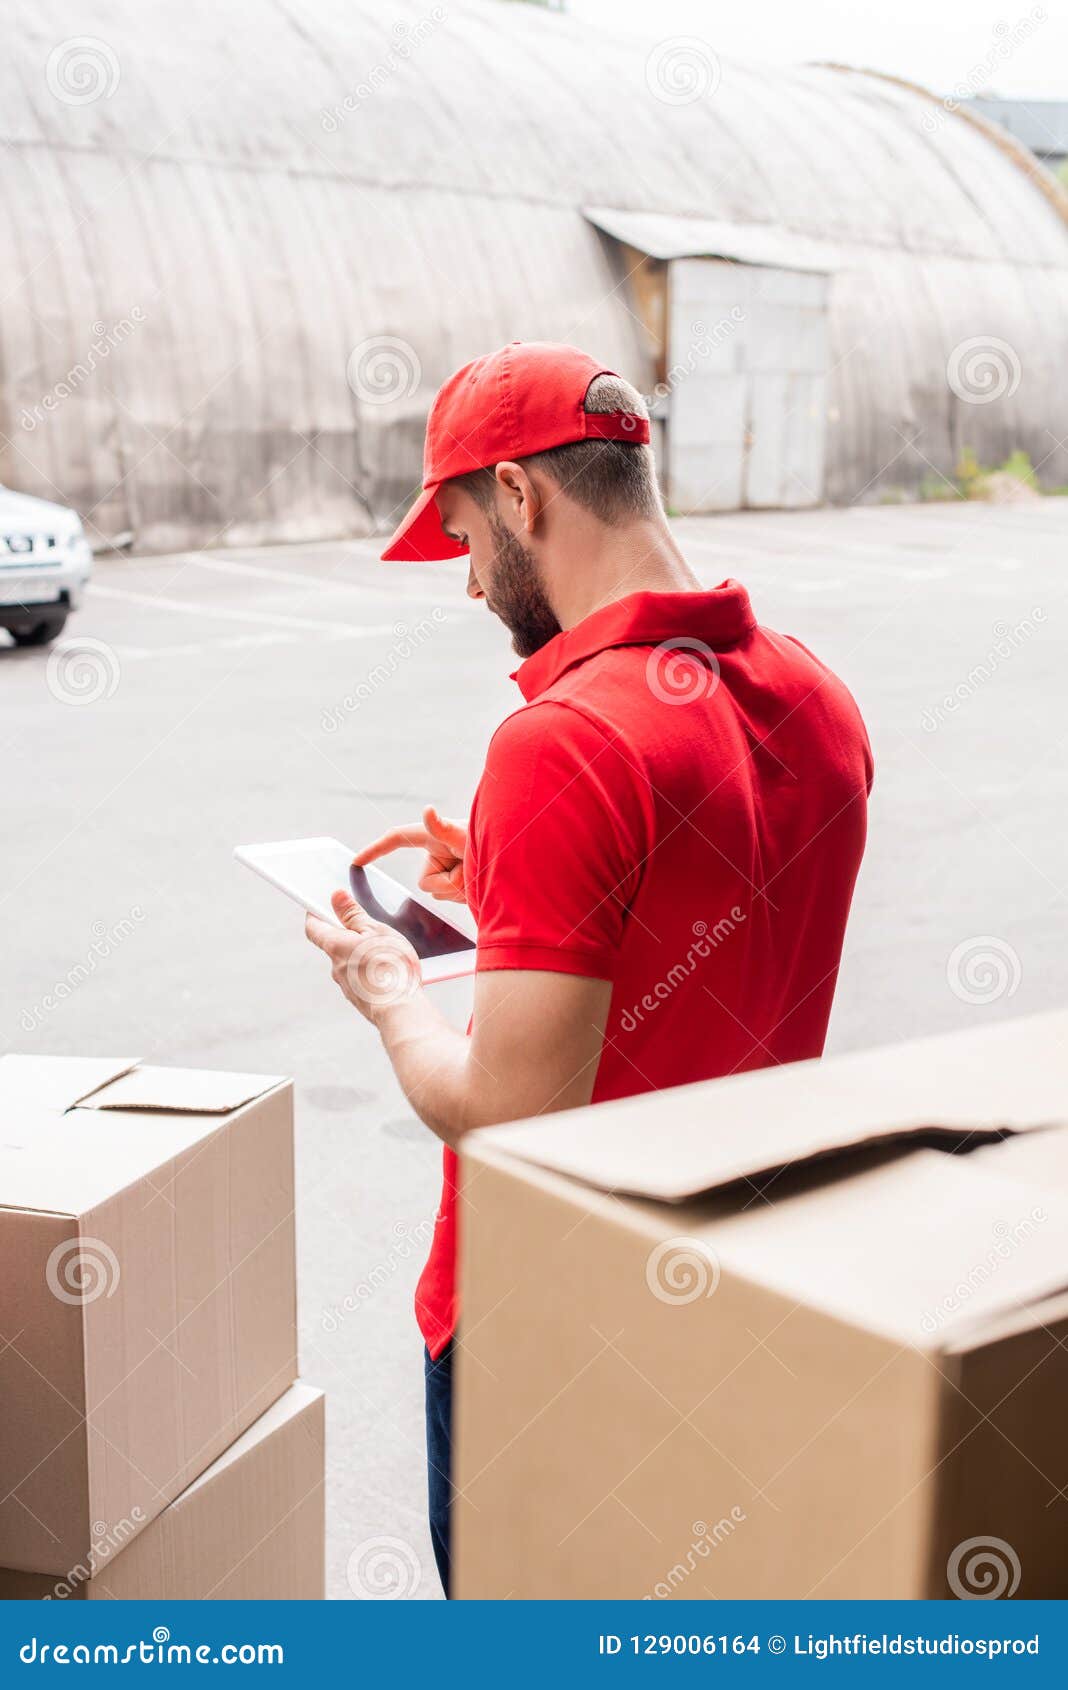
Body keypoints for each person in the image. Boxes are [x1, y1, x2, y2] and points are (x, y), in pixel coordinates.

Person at [305, 340, 874, 1597]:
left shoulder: (562, 742)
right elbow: (710, 883)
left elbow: (508, 1110)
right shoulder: (817, 701)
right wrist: (506, 870)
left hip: (552, 1332)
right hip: (738, 1298)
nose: (465, 582)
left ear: (521, 495)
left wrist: (393, 994)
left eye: (460, 534)